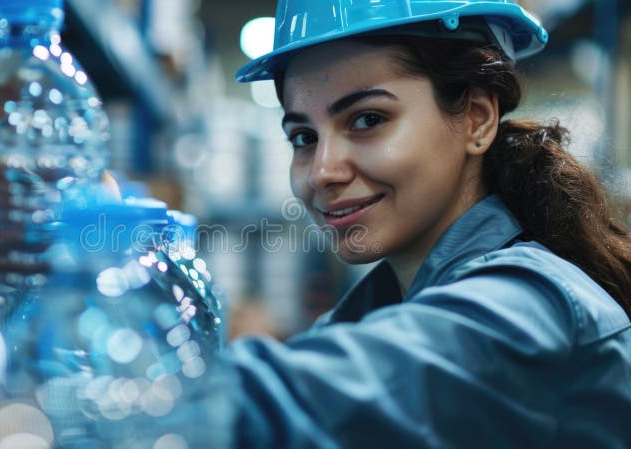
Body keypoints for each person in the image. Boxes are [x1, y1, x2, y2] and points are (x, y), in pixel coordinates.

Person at [224, 1, 631, 448]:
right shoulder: (374, 312)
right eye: (304, 137)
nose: (322, 172)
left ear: (478, 118)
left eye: (367, 119)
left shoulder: (528, 307)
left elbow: (277, 407)